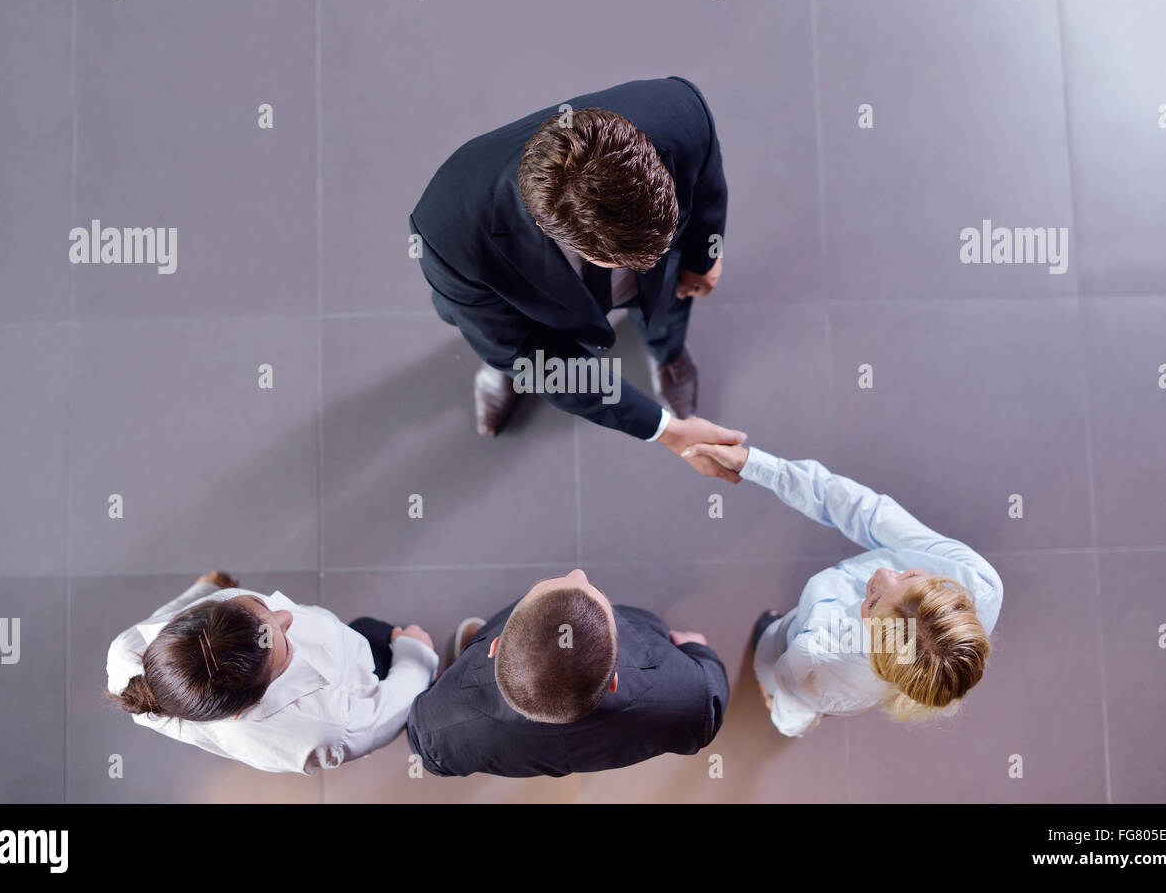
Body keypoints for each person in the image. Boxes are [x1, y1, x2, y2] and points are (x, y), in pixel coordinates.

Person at [410, 76, 745, 482]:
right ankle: (500, 372)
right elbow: (536, 358)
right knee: (507, 345)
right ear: (545, 225)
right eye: (625, 260)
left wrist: (704, 256)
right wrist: (667, 432)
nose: (648, 266)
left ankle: (668, 353)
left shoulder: (680, 111)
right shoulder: (449, 231)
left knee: (666, 296)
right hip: (514, 302)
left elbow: (709, 189)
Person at [681, 443, 1003, 736]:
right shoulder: (979, 582)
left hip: (794, 660)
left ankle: (770, 636)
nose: (882, 572)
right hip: (825, 685)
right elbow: (867, 511)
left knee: (771, 648)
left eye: (873, 601)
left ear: (879, 652)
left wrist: (783, 715)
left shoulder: (816, 657)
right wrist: (756, 464)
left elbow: (793, 704)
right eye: (910, 576)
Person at [405, 569, 729, 777]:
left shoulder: (439, 732)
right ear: (614, 678)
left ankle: (469, 651)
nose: (579, 572)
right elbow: (711, 695)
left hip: (503, 745)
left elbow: (430, 753)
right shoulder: (690, 697)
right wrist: (696, 649)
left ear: (497, 646)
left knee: (471, 656)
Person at [106, 570, 438, 773]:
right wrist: (416, 655)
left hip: (344, 646)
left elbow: (166, 614)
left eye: (258, 606)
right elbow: (383, 715)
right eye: (284, 652)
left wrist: (203, 589)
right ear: (242, 710)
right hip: (371, 676)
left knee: (364, 628)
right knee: (402, 668)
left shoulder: (124, 654)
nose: (286, 616)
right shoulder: (324, 728)